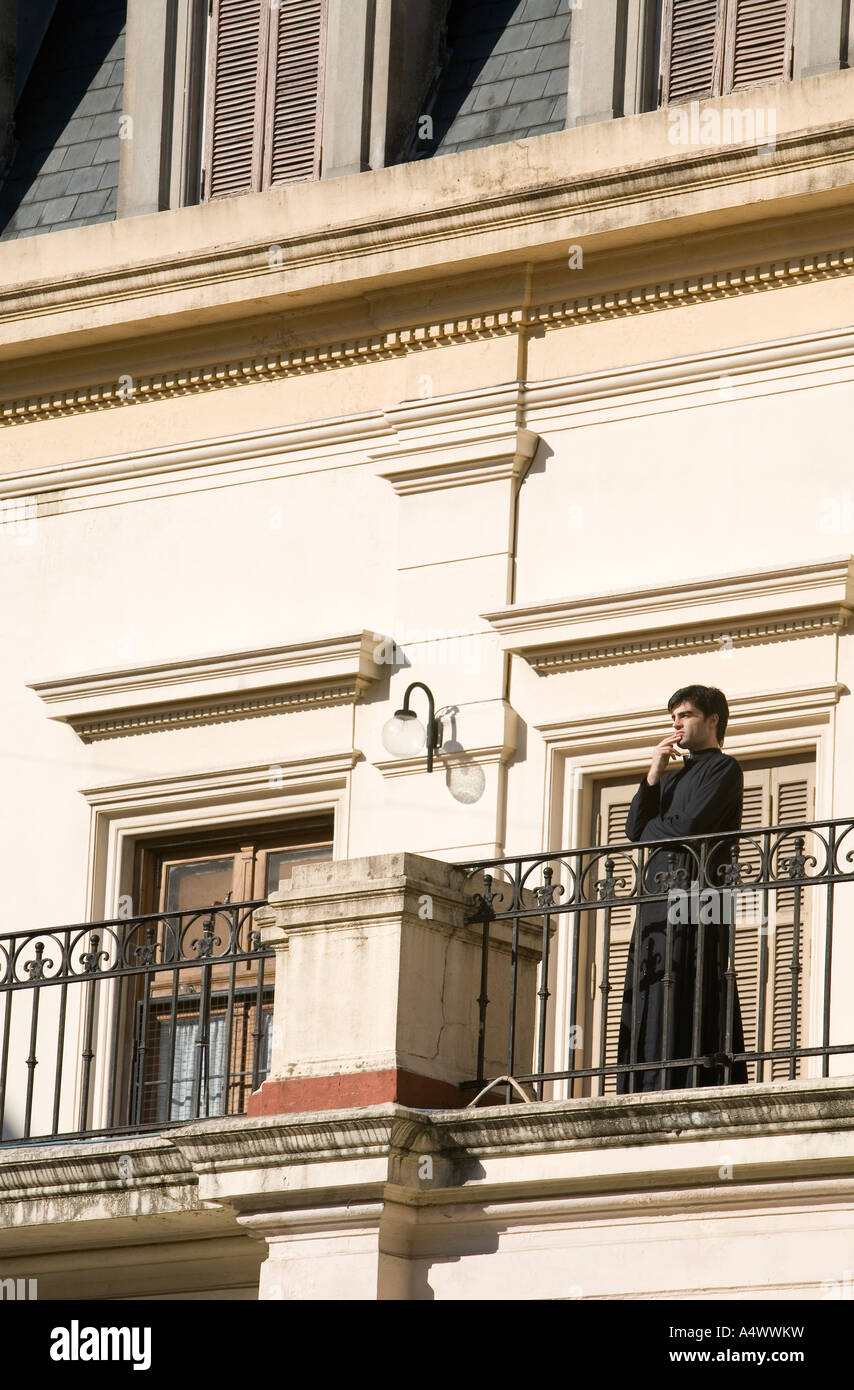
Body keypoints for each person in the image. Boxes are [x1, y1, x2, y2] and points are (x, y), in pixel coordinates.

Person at [616, 685, 748, 1093]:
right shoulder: (670, 780)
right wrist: (654, 771)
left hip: (699, 891)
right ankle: (647, 1080)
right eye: (673, 716)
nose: (676, 723)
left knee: (693, 972)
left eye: (686, 715)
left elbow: (689, 827)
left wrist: (655, 833)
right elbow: (634, 829)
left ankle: (694, 1076)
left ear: (712, 720)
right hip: (659, 894)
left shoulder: (724, 769)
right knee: (653, 977)